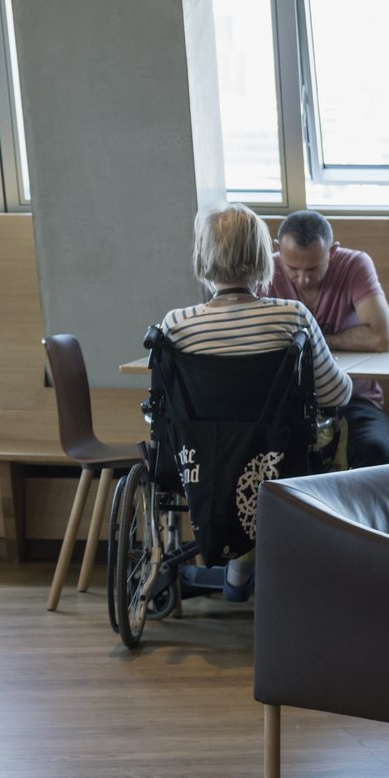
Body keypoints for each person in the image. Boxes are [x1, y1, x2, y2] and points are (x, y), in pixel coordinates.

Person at [160, 203, 353, 600]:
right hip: (275, 460)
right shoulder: (292, 318)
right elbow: (336, 394)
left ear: (202, 257)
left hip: (201, 462)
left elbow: (165, 411)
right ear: (266, 258)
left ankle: (235, 562)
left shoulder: (175, 326)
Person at [263, 209, 389, 469]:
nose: (303, 280)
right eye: (293, 268)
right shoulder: (267, 270)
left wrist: (314, 340)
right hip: (287, 402)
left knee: (376, 450)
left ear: (333, 252)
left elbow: (382, 337)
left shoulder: (355, 264)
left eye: (314, 268)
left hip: (355, 401)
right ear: (278, 249)